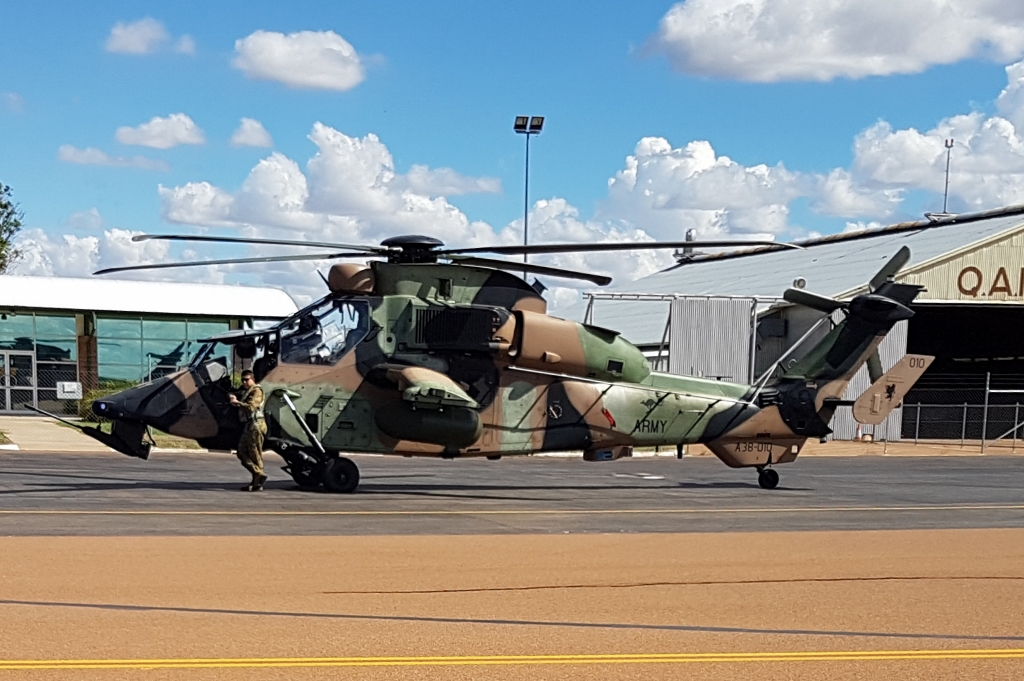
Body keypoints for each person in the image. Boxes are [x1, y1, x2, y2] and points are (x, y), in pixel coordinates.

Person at [228, 369, 267, 492]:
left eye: (246, 380)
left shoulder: (257, 390)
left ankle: (258, 477)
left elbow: (251, 407)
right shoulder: (248, 391)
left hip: (256, 424)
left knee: (254, 453)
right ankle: (258, 477)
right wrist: (231, 395)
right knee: (243, 452)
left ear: (253, 379)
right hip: (250, 424)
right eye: (243, 380)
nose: (244, 382)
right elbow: (236, 392)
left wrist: (237, 403)